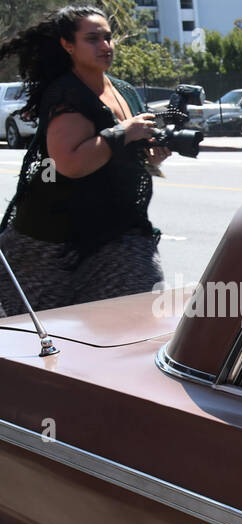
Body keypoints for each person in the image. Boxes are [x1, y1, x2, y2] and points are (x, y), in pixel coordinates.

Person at [0, 5, 169, 316]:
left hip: (117, 233)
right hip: (49, 242)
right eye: (92, 39)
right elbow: (70, 164)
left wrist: (152, 153)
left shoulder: (124, 90)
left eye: (107, 38)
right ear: (68, 45)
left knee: (137, 317)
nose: (105, 46)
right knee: (41, 333)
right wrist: (124, 132)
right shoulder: (67, 94)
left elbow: (126, 154)